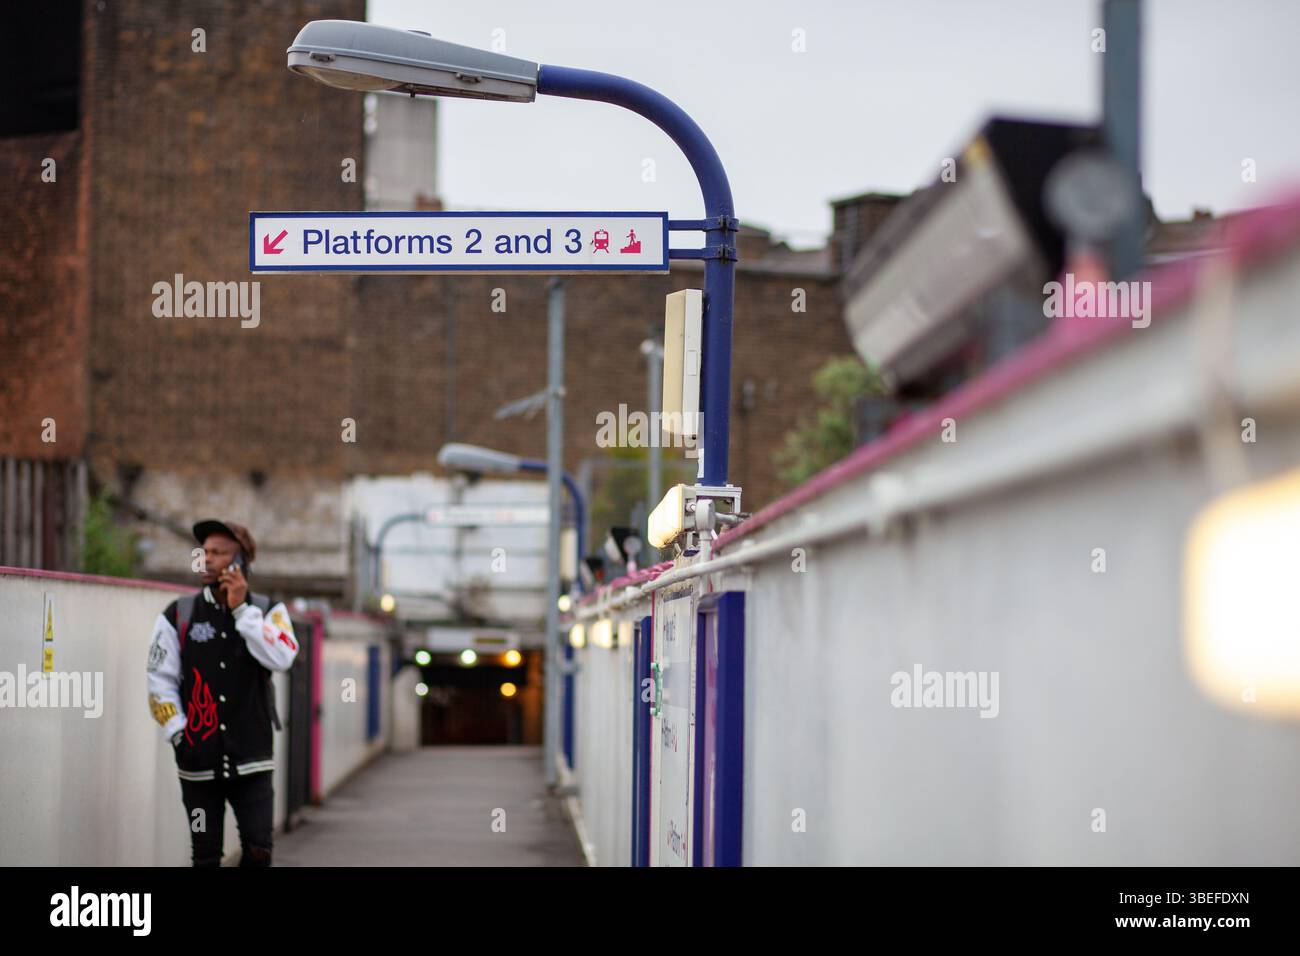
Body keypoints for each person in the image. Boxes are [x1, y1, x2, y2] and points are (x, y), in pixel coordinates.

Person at [145, 519, 299, 866]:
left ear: (241, 562)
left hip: (253, 761)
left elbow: (284, 657)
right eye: (204, 552)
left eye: (219, 553)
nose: (207, 559)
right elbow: (158, 681)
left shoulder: (268, 610)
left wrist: (242, 611)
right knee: (205, 854)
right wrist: (179, 733)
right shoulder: (178, 614)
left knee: (259, 851)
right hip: (197, 766)